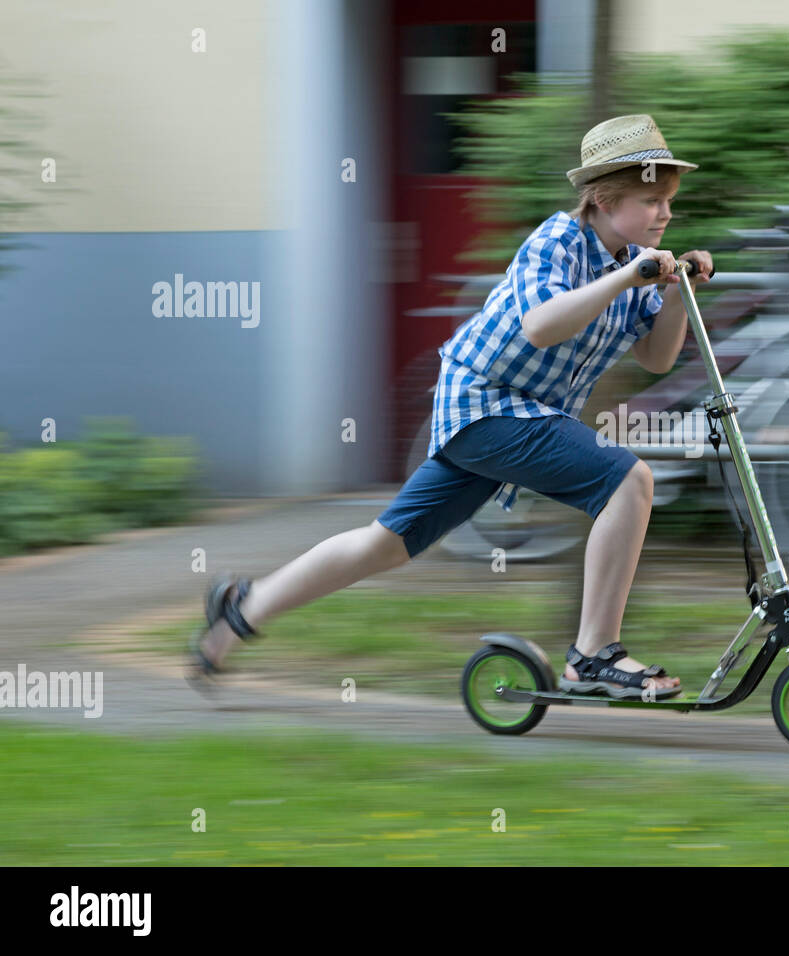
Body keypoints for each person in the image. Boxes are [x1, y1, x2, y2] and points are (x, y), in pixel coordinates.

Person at [186, 114, 713, 701]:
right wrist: (627, 279)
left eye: (669, 200)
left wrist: (672, 294)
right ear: (604, 198)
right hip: (486, 405)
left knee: (386, 544)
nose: (665, 213)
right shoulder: (557, 242)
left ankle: (238, 613)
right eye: (651, 199)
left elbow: (658, 356)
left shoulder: (633, 263)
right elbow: (541, 326)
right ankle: (593, 654)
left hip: (514, 417)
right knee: (630, 481)